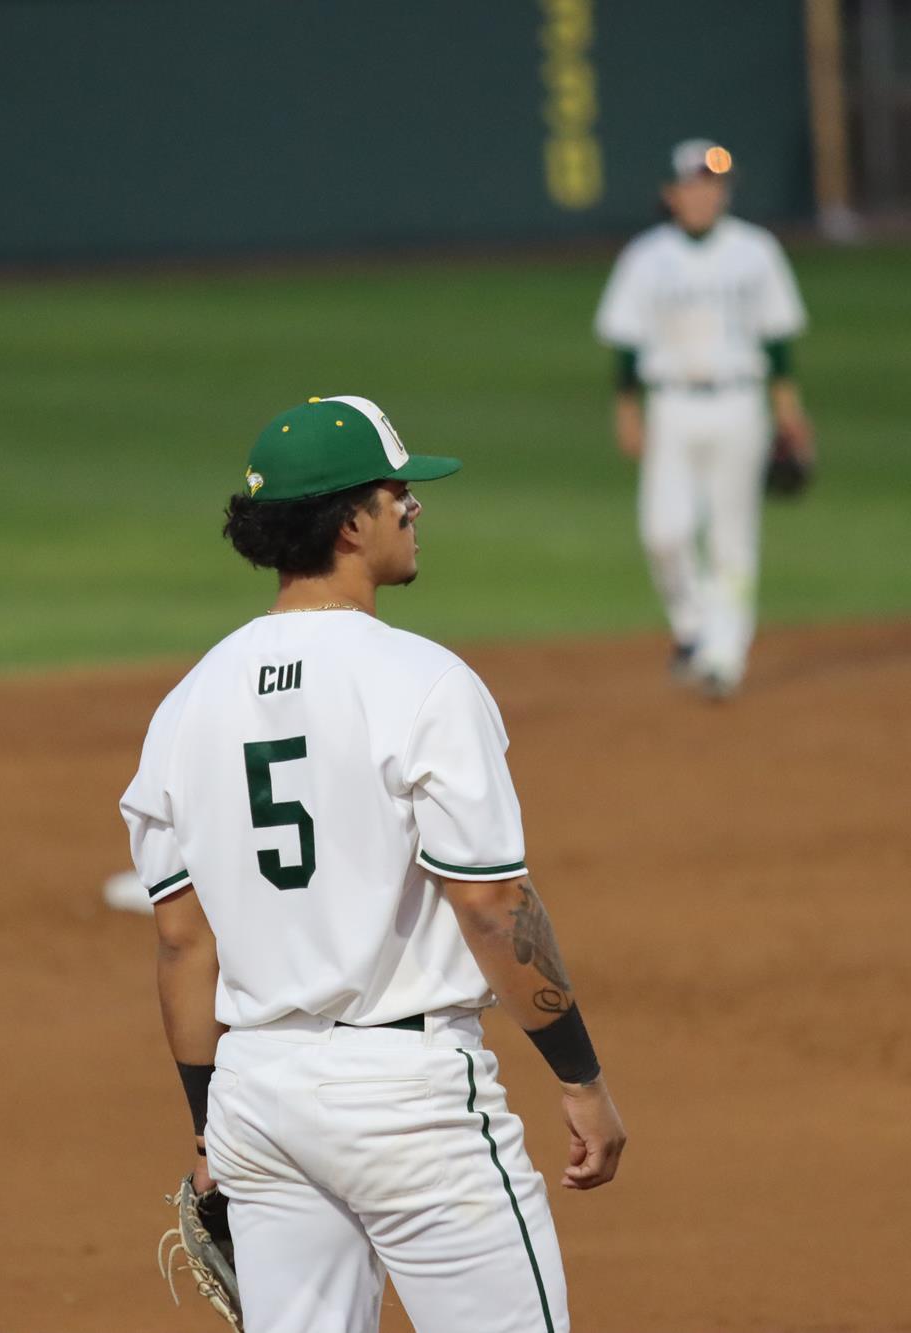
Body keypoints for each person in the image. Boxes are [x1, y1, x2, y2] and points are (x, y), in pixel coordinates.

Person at [120, 394, 627, 1333]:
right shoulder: (425, 682)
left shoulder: (183, 707)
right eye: (399, 494)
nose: (415, 508)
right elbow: (491, 905)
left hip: (256, 1101)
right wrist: (580, 1077)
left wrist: (207, 1128)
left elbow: (183, 942)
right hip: (410, 1105)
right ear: (351, 522)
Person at [594, 138, 813, 698]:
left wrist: (788, 412)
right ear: (671, 194)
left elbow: (777, 339)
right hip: (670, 406)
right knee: (663, 532)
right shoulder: (646, 257)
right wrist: (627, 409)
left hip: (741, 403)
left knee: (731, 537)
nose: (704, 195)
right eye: (693, 185)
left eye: (714, 185)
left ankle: (724, 654)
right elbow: (626, 343)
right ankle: (693, 628)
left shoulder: (756, 251)